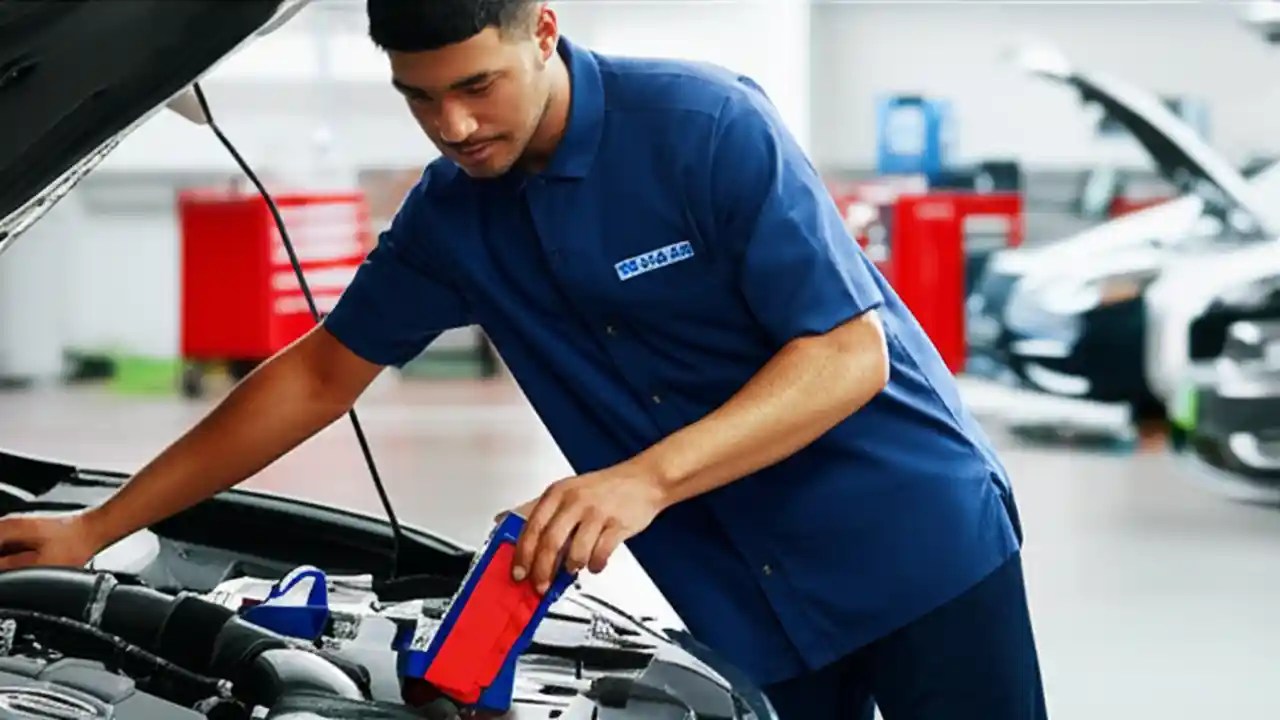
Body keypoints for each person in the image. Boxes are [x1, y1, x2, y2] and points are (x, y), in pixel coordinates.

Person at [0, 1, 1047, 717]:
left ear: (542, 30)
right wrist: (99, 526)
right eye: (419, 97)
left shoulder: (703, 126)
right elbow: (320, 375)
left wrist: (643, 480)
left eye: (476, 85)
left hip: (908, 543)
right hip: (740, 589)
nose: (453, 125)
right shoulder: (453, 216)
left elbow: (848, 354)